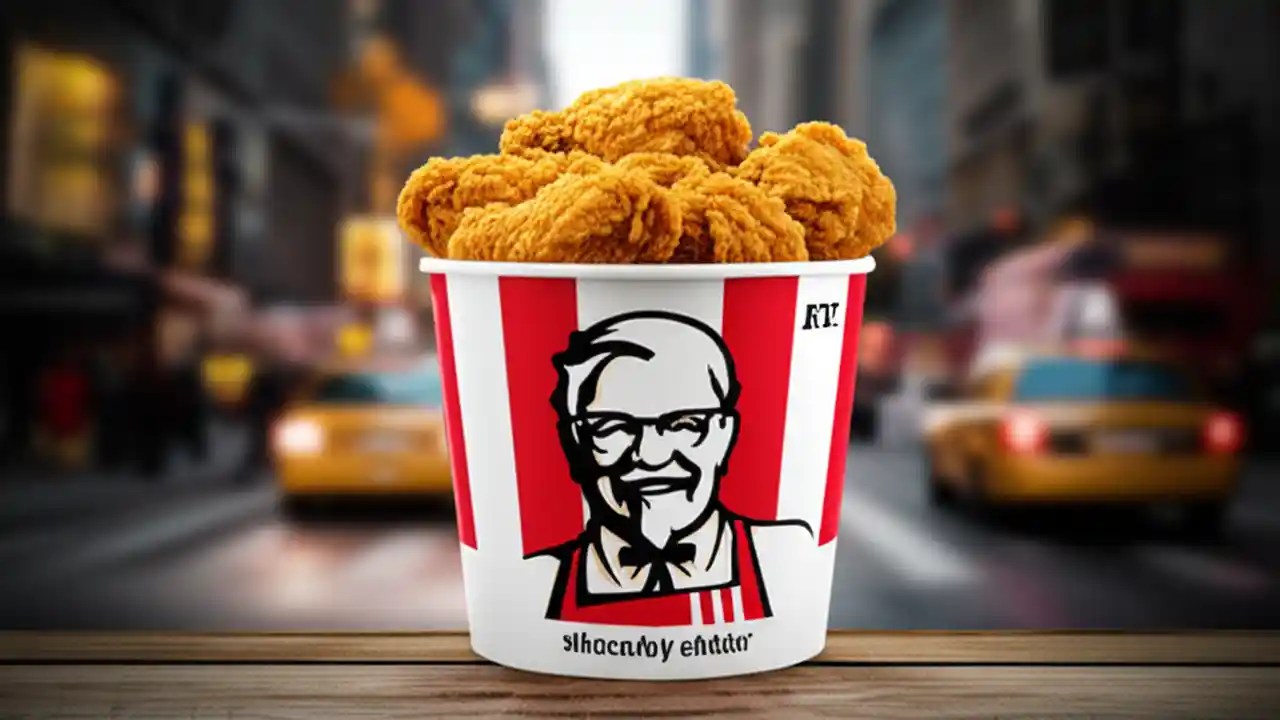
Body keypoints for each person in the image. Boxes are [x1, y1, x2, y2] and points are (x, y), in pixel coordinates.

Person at [538, 311, 809, 623]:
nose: (652, 455)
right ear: (575, 443)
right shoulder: (535, 579)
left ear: (725, 435)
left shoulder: (783, 552)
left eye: (684, 424)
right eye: (612, 427)